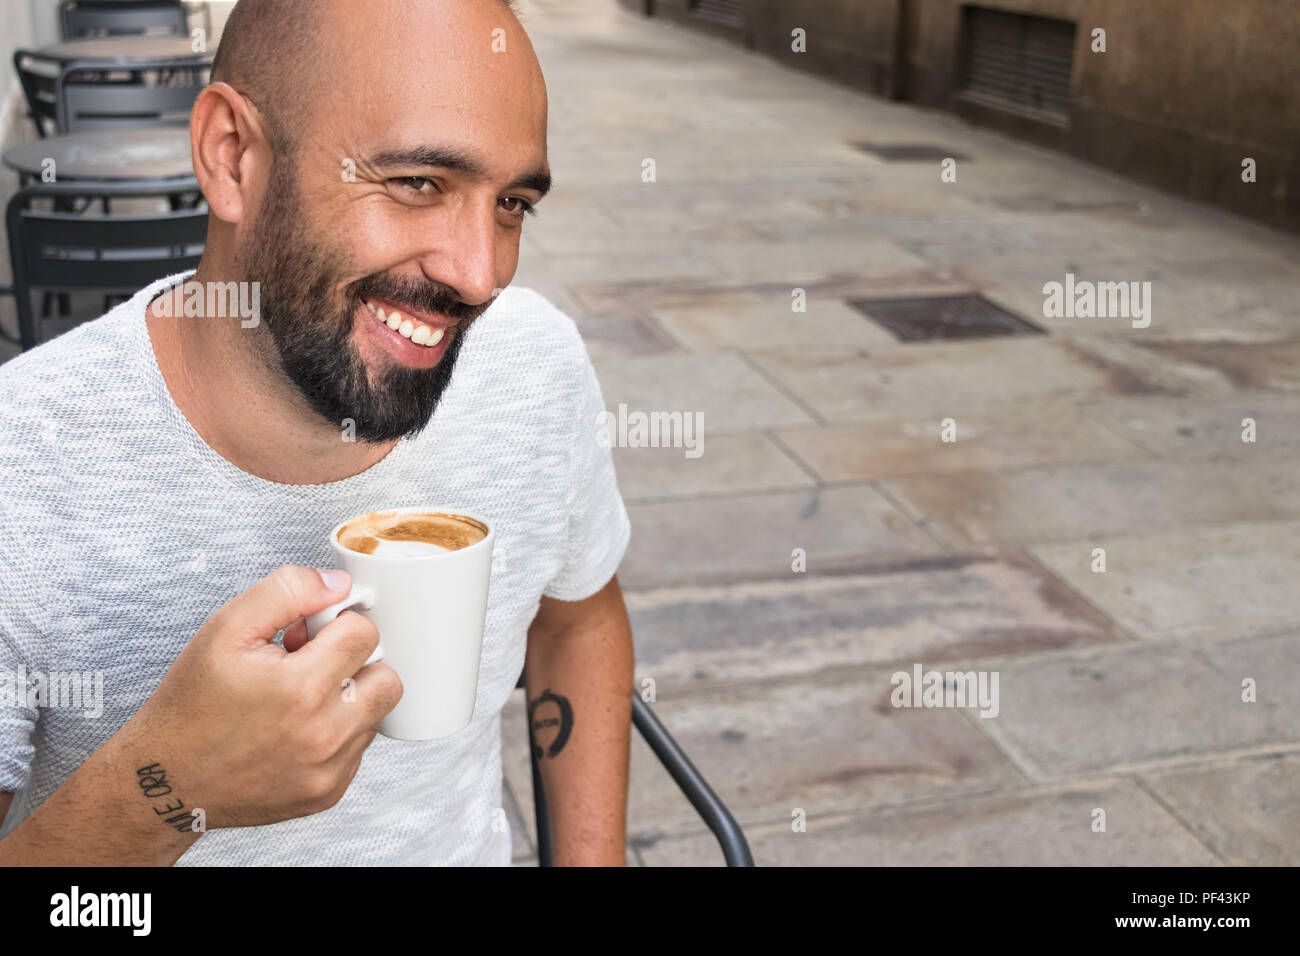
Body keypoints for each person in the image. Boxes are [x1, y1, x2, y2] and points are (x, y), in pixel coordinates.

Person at [0, 0, 633, 866]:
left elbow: (581, 620)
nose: (480, 275)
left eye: (512, 203)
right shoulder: (21, 472)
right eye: (417, 183)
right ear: (232, 156)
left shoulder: (536, 367)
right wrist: (164, 792)